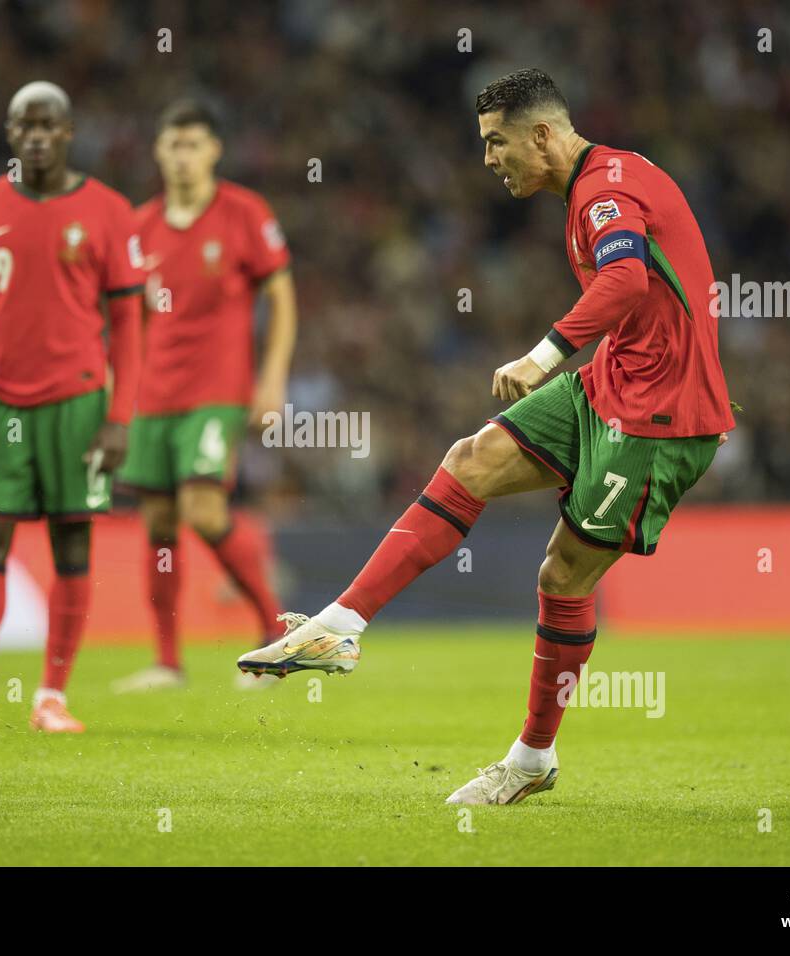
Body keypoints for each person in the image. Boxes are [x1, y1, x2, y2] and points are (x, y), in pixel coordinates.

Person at [237, 69, 734, 804]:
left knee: (562, 575)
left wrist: (542, 355)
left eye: (496, 142)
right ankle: (341, 625)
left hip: (661, 415)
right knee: (472, 460)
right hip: (612, 381)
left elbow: (626, 280)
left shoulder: (603, 190)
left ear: (540, 135)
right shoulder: (599, 182)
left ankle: (532, 758)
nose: (488, 159)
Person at [0, 81, 144, 733]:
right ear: (9, 135)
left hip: (78, 403)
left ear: (69, 133)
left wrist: (120, 416)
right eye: (23, 125)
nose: (36, 136)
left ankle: (51, 699)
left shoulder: (108, 210)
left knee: (72, 542)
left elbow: (127, 321)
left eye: (48, 125)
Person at [112, 100, 297, 694]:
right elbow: (126, 319)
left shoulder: (244, 213)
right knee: (159, 522)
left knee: (203, 511)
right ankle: (168, 662)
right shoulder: (138, 228)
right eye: (173, 145)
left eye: (193, 144)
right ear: (158, 152)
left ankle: (278, 638)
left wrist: (271, 380)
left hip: (216, 392)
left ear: (214, 150)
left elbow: (283, 298)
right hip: (152, 394)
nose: (182, 156)